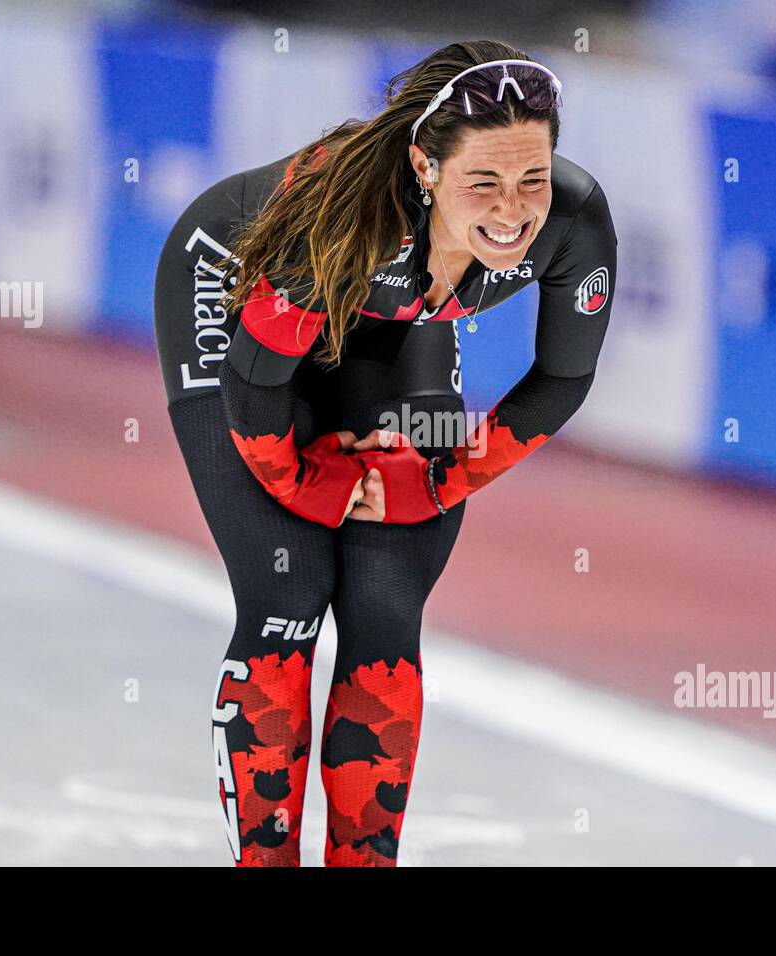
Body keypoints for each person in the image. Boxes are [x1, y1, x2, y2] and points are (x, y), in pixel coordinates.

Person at [153, 39, 617, 866]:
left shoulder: (575, 220)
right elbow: (257, 389)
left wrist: (441, 476)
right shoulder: (341, 218)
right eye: (484, 183)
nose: (513, 211)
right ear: (426, 169)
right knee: (289, 588)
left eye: (531, 180)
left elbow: (560, 381)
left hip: (397, 332)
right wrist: (311, 482)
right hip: (242, 312)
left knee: (383, 605)